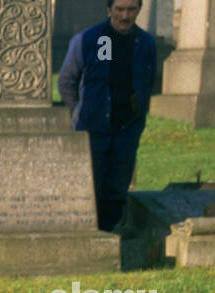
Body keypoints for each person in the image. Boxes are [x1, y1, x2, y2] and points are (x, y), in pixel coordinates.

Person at [57, 0, 156, 232]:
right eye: (119, 9)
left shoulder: (146, 43)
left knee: (117, 188)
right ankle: (84, 235)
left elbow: (147, 82)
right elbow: (66, 81)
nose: (125, 15)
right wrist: (79, 112)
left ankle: (109, 235)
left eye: (131, 9)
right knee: (89, 187)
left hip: (126, 129)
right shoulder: (90, 39)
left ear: (138, 10)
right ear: (109, 10)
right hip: (92, 128)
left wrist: (138, 115)